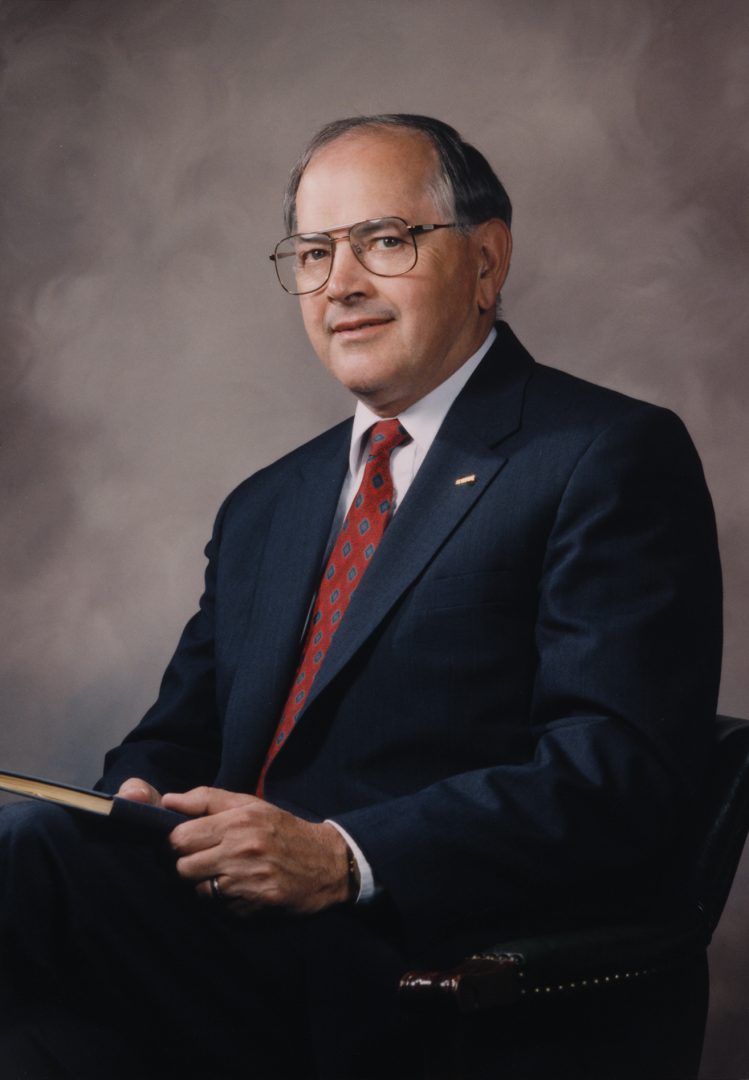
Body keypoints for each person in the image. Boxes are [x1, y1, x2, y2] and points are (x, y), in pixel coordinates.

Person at [0, 115, 722, 1079]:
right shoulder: (267, 503)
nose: (339, 283)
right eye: (310, 251)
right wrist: (133, 800)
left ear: (486, 258)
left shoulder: (602, 456)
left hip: (416, 974)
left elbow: (615, 780)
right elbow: (174, 738)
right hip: (210, 951)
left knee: (29, 858)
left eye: (383, 240)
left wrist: (342, 854)